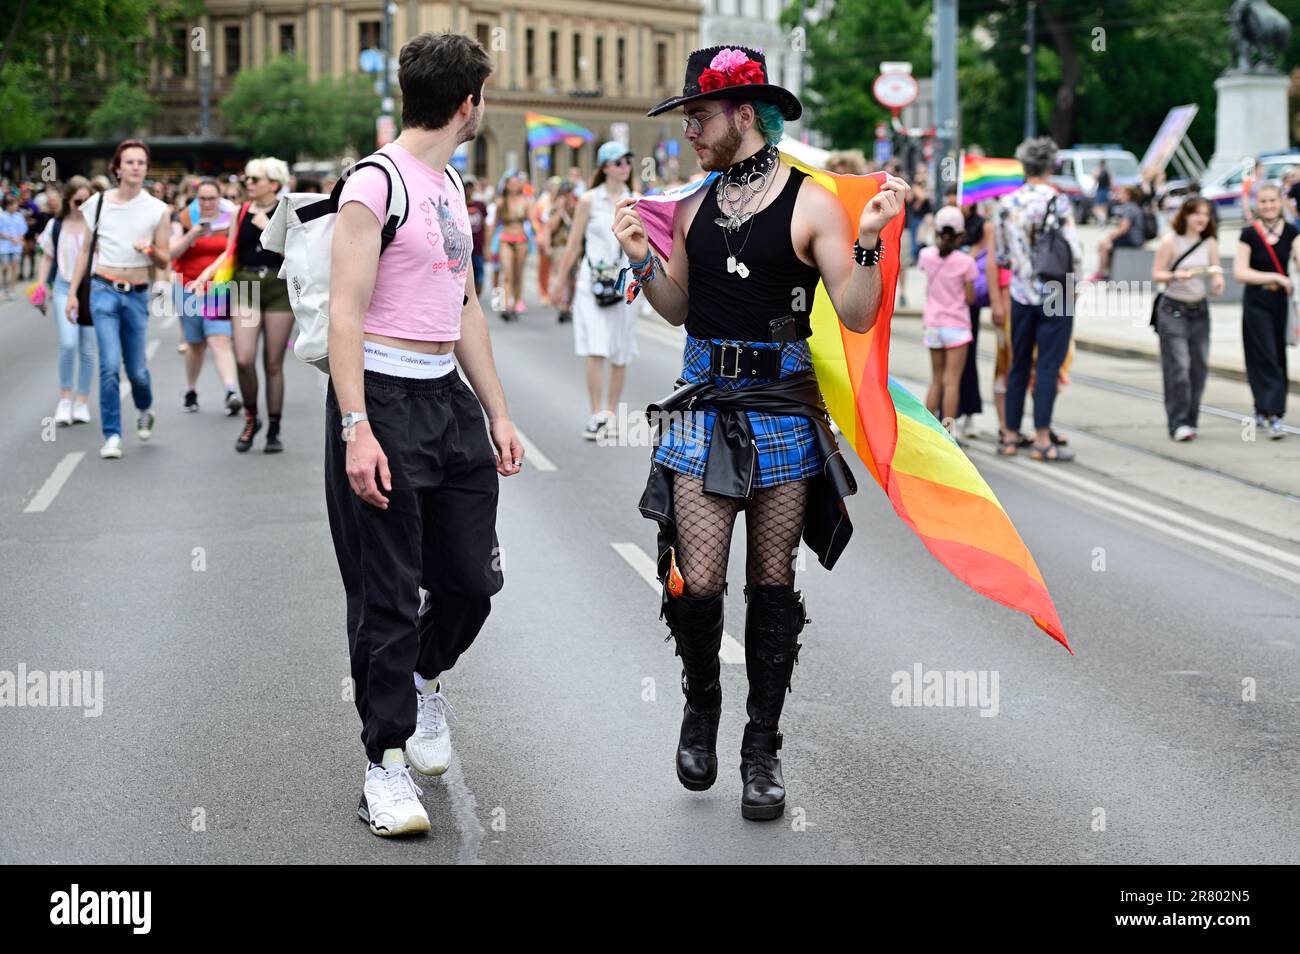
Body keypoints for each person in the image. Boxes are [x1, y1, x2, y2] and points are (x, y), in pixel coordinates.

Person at [614, 44, 907, 821]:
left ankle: (762, 747)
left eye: (698, 117)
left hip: (781, 410)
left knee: (771, 584)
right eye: (686, 120)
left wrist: (871, 234)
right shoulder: (686, 209)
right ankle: (702, 703)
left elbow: (854, 312)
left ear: (744, 115)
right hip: (705, 406)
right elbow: (676, 310)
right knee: (698, 580)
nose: (689, 134)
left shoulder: (812, 204)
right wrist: (643, 261)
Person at [326, 31, 522, 838]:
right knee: (386, 595)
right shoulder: (373, 185)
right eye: (484, 95)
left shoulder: (448, 183)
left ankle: (424, 678)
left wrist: (499, 411)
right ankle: (385, 766)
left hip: (447, 400)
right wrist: (355, 428)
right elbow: (344, 309)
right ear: (467, 102)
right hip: (382, 396)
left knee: (471, 581)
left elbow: (465, 303)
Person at [65, 139, 172, 460]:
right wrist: (72, 293)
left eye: (141, 162)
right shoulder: (97, 204)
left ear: (146, 168)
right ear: (118, 167)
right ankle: (112, 435)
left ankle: (144, 407)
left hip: (137, 295)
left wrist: (149, 250)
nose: (136, 167)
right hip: (103, 290)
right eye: (130, 162)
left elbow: (164, 260)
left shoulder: (158, 210)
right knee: (109, 366)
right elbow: (84, 252)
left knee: (137, 370)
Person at [195, 157, 293, 453]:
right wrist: (207, 272)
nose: (248, 183)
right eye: (247, 179)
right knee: (244, 358)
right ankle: (252, 418)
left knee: (273, 363)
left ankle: (274, 427)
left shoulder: (287, 209)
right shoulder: (240, 212)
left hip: (278, 287)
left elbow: (298, 254)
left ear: (273, 184)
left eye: (254, 179)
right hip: (246, 285)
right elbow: (230, 251)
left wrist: (268, 229)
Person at [994, 136, 1083, 461]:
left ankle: (1010, 437)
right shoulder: (1057, 200)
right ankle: (1043, 439)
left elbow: (1001, 256)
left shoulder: (1006, 203)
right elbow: (1072, 248)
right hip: (1056, 292)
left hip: (1020, 293)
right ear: (1049, 165)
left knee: (1018, 364)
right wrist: (1078, 287)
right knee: (1047, 366)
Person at [551, 141, 641, 439]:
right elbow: (575, 244)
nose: (624, 166)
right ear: (605, 167)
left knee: (620, 348)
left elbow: (646, 245)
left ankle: (611, 414)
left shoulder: (636, 201)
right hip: (591, 281)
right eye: (618, 162)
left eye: (628, 160)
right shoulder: (589, 200)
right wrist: (560, 281)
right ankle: (595, 414)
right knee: (596, 346)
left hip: (624, 282)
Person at [1151, 196, 1224, 442]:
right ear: (1186, 215)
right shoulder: (1171, 241)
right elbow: (1157, 275)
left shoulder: (1209, 242)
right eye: (1196, 214)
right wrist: (1174, 276)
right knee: (1178, 367)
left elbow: (1215, 271)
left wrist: (1217, 282)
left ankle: (1191, 420)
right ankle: (1178, 422)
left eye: (1206, 214)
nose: (1202, 219)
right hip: (1173, 311)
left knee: (1199, 368)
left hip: (1199, 311)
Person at [173, 178, 241, 415]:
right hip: (188, 285)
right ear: (196, 198)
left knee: (219, 338)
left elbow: (234, 250)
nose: (208, 203)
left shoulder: (230, 218)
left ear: (219, 198)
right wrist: (191, 234)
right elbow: (171, 253)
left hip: (219, 287)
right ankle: (191, 390)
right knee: (195, 343)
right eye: (203, 198)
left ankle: (231, 391)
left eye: (212, 198)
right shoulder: (184, 218)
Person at [1234, 183, 1295, 439]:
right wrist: (1276, 277)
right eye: (1263, 201)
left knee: (1278, 354)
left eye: (1272, 200)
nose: (1268, 206)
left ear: (1280, 202)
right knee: (1262, 353)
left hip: (1281, 302)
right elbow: (1240, 272)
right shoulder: (1249, 233)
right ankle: (1272, 412)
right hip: (1257, 299)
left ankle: (1266, 408)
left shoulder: (1292, 232)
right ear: (1257, 204)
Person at [35, 177, 96, 426]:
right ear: (68, 200)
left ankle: (82, 401)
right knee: (68, 343)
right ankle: (65, 399)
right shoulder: (56, 225)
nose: (81, 205)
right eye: (77, 200)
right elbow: (47, 258)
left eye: (86, 200)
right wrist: (40, 287)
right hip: (62, 287)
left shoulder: (97, 226)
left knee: (88, 348)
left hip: (91, 288)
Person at [919, 205, 977, 437]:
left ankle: (925, 430)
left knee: (936, 380)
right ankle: (947, 432)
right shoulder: (966, 262)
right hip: (957, 326)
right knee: (952, 382)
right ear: (961, 235)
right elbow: (971, 297)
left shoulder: (926, 256)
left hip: (933, 324)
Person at [492, 172, 531, 318]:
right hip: (505, 238)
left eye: (516, 183)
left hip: (521, 239)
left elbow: (532, 222)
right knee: (506, 274)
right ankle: (505, 304)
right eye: (511, 183)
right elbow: (494, 223)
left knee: (518, 275)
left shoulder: (525, 201)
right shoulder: (502, 202)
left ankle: (516, 302)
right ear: (506, 185)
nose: (514, 186)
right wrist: (489, 245)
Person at [1090, 185, 1146, 281]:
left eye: (1121, 193)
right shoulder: (1133, 206)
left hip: (1132, 240)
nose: (1119, 196)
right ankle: (1107, 271)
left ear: (1128, 195)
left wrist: (1109, 238)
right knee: (1107, 244)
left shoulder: (1129, 207)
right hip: (1135, 239)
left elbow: (1124, 228)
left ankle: (1102, 273)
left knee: (1103, 245)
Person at [546, 181, 578, 323]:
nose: (568, 196)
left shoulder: (577, 206)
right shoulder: (554, 207)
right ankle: (562, 306)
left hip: (574, 247)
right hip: (560, 246)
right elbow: (551, 227)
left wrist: (571, 207)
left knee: (573, 279)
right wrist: (560, 209)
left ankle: (569, 305)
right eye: (566, 193)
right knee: (562, 276)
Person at [531, 175, 559, 306]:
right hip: (544, 238)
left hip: (559, 239)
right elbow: (535, 219)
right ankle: (544, 293)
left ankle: (557, 294)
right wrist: (539, 234)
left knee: (558, 268)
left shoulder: (562, 201)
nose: (555, 189)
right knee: (544, 267)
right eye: (553, 186)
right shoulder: (543, 201)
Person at [463, 175, 488, 297]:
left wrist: (487, 244)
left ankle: (477, 294)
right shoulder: (459, 203)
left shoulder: (480, 205)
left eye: (470, 187)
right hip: (464, 246)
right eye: (466, 187)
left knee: (479, 270)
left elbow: (485, 225)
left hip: (478, 245)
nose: (468, 190)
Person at [0, 195, 25, 299]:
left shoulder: (19, 216)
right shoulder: (2, 216)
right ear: (8, 206)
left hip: (16, 246)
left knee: (14, 267)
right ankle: (5, 284)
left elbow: (23, 230)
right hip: (4, 246)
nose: (15, 206)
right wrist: (9, 237)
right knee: (5, 267)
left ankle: (12, 290)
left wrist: (19, 240)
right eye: (13, 204)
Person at [1091, 159, 1111, 225]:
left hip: (1101, 190)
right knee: (1104, 206)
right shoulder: (1107, 171)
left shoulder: (1102, 172)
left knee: (1097, 207)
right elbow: (1110, 182)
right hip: (1105, 190)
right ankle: (1104, 220)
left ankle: (1102, 219)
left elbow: (1096, 180)